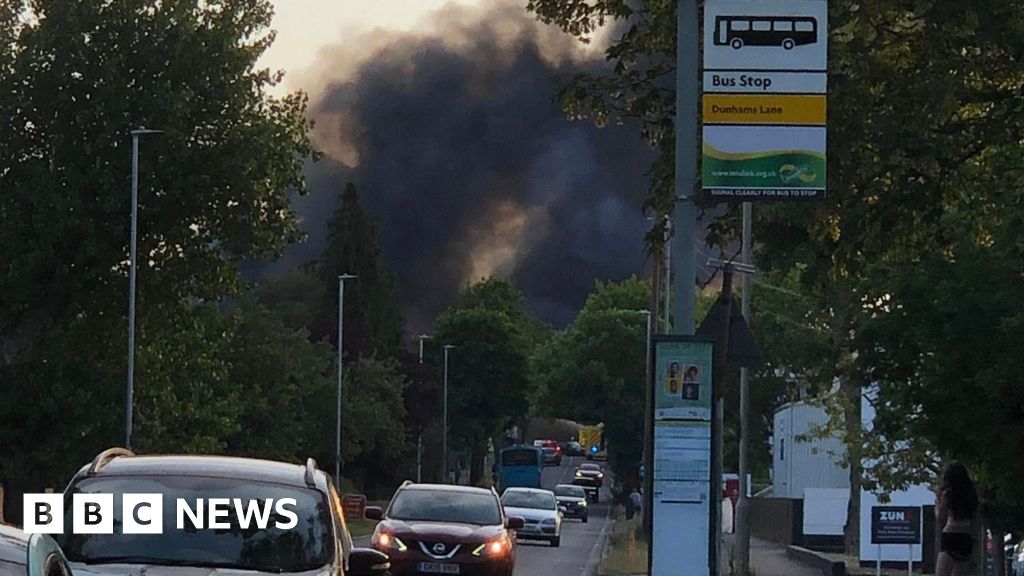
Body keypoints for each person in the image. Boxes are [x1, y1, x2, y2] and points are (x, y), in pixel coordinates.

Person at [935, 461, 979, 576]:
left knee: (942, 573)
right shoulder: (970, 495)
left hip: (950, 535)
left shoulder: (947, 494)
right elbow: (975, 518)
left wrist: (937, 503)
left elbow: (940, 517)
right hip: (965, 537)